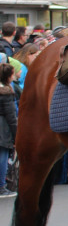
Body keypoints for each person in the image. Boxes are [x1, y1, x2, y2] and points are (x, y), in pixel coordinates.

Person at [0, 64, 16, 199]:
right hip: (2, 128)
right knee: (3, 157)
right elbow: (11, 117)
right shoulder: (6, 93)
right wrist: (16, 135)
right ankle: (1, 186)